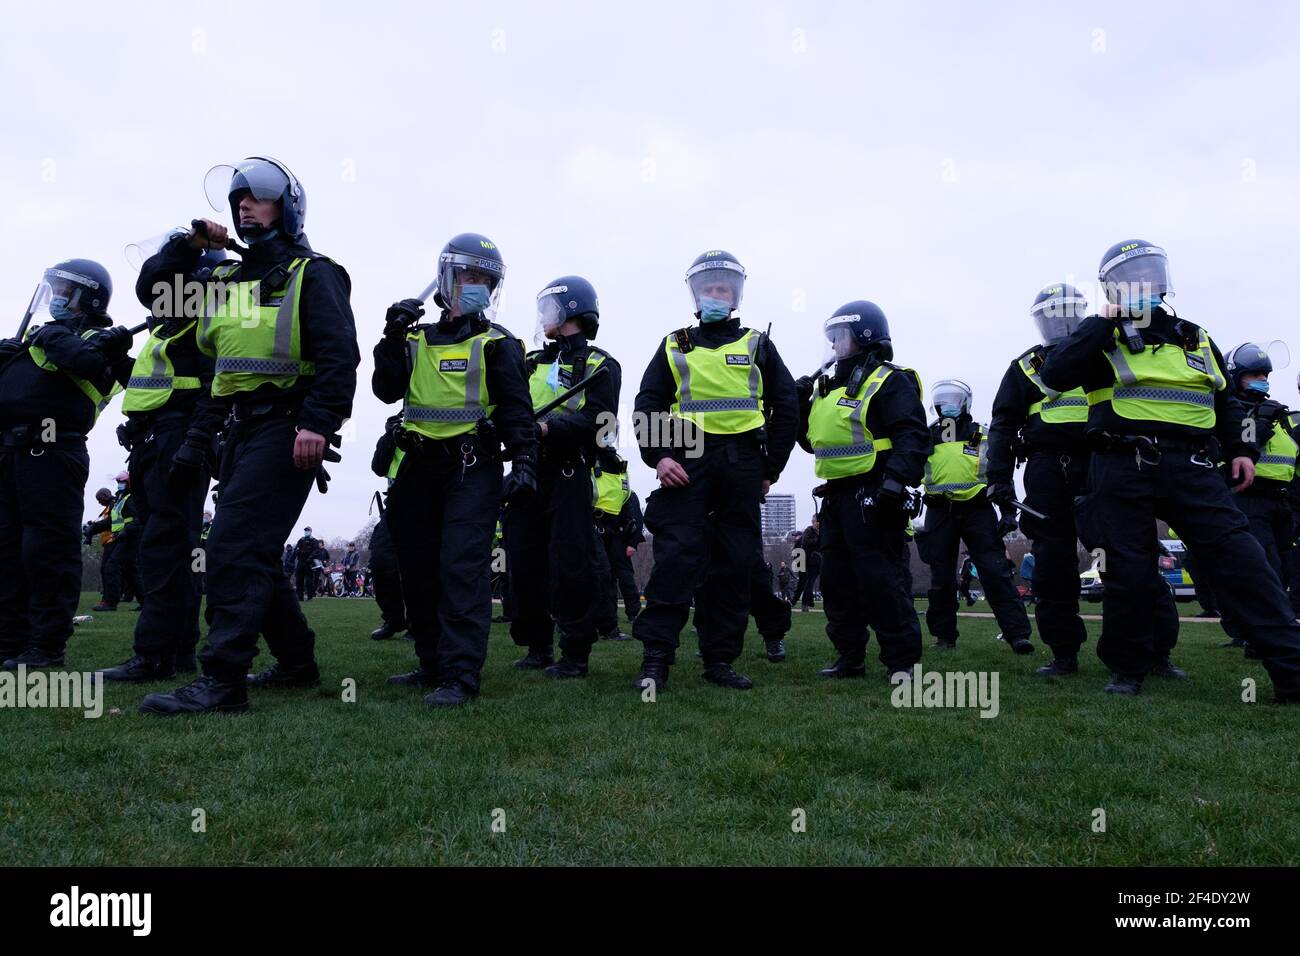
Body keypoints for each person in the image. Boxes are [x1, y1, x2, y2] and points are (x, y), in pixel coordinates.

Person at [139, 155, 359, 715]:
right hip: (236, 430)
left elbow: (339, 358)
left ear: (285, 208)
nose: (244, 207)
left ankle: (222, 679)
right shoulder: (225, 280)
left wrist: (317, 423)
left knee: (232, 548)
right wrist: (189, 247)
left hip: (288, 428)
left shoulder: (315, 273)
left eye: (256, 198)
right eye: (238, 201)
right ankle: (296, 663)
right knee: (253, 552)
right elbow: (155, 294)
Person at [1040, 238, 1300, 699]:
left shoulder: (1193, 335)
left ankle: (1291, 672)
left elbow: (1230, 401)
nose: (1145, 282)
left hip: (1194, 465)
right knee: (1130, 570)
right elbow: (1056, 374)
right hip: (1122, 463)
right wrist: (1101, 322)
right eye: (1131, 275)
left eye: (1151, 270)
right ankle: (1129, 670)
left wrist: (1242, 451)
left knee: (1244, 561)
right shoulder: (1102, 334)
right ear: (1113, 288)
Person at [372, 232, 536, 706]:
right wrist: (390, 336)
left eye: (487, 280)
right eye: (470, 276)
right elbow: (385, 390)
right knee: (417, 569)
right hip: (417, 468)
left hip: (472, 467)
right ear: (447, 278)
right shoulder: (414, 339)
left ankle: (461, 675)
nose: (477, 285)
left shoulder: (499, 343)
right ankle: (431, 663)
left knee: (461, 567)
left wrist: (524, 462)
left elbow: (516, 409)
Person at [632, 249, 798, 691]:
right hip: (686, 459)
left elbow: (787, 407)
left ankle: (719, 660)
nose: (715, 295)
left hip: (743, 463)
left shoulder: (757, 345)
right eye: (708, 288)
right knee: (676, 558)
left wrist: (771, 469)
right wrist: (659, 456)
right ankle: (656, 658)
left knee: (733, 564)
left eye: (723, 288)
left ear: (735, 295)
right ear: (696, 294)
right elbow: (647, 404)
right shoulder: (674, 343)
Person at [0, 258, 132, 669]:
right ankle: (9, 642)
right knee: (7, 551)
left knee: (47, 552)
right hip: (11, 452)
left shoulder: (102, 340)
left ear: (86, 297)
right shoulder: (38, 341)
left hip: (54, 452)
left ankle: (46, 646)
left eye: (63, 292)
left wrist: (46, 337)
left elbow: (90, 366)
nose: (55, 299)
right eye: (52, 291)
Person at [99, 249, 224, 682]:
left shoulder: (207, 327)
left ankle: (153, 655)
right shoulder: (168, 329)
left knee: (163, 551)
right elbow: (146, 385)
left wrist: (195, 442)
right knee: (178, 551)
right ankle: (179, 650)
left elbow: (215, 390)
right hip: (153, 439)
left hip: (178, 437)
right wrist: (118, 359)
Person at [796, 300, 930, 680]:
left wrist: (896, 480)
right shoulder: (826, 389)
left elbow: (913, 435)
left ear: (866, 337)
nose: (835, 345)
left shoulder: (890, 380)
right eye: (832, 338)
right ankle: (849, 657)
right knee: (836, 583)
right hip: (836, 497)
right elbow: (811, 442)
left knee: (881, 581)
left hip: (875, 492)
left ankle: (902, 662)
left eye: (841, 337)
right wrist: (796, 402)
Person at [505, 275, 622, 678]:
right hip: (526, 469)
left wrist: (550, 427)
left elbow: (601, 422)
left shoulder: (600, 364)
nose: (542, 318)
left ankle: (575, 653)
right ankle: (537, 646)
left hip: (568, 471)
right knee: (523, 560)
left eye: (548, 309)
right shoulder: (532, 361)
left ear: (571, 310)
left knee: (571, 562)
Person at [986, 283, 1092, 674]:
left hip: (1102, 463)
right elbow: (1002, 424)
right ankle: (1064, 652)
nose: (1060, 322)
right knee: (1051, 564)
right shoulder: (1025, 366)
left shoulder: (1104, 354)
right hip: (1046, 471)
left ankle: (1148, 650)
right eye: (1051, 316)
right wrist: (998, 479)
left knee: (1126, 556)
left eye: (1067, 313)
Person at [919, 379, 1033, 653]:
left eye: (952, 400)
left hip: (977, 510)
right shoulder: (926, 438)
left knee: (995, 571)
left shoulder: (983, 435)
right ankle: (944, 637)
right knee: (941, 578)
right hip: (938, 510)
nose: (946, 406)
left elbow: (1000, 476)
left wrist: (1008, 512)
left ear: (965, 403)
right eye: (942, 400)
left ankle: (1017, 634)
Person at [1210, 343, 1299, 651]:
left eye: (1265, 374)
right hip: (1247, 498)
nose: (1262, 379)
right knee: (1266, 567)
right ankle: (1260, 638)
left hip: (1281, 502)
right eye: (1254, 375)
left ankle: (1259, 630)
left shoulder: (1278, 414)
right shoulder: (1229, 411)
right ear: (1236, 377)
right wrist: (1260, 421)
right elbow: (1242, 447)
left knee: (1286, 569)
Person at [367, 414, 408, 640]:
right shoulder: (397, 429)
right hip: (395, 504)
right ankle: (393, 618)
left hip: (426, 501)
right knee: (380, 562)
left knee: (420, 567)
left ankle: (417, 622)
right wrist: (388, 436)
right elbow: (378, 467)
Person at [591, 454, 641, 641]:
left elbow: (625, 498)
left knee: (609, 578)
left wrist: (631, 534)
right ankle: (570, 624)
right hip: (589, 522)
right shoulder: (585, 457)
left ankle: (609, 627)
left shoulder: (618, 464)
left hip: (614, 530)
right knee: (593, 575)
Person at [93, 472, 141, 611]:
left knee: (111, 566)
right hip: (120, 537)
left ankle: (110, 602)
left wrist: (125, 531)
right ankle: (145, 601)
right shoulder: (120, 498)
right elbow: (112, 521)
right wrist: (93, 528)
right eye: (118, 481)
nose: (119, 483)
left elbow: (137, 519)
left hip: (128, 538)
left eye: (121, 481)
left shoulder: (132, 498)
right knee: (130, 570)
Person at [791, 516, 821, 611]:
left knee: (807, 582)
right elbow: (804, 544)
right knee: (806, 582)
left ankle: (798, 601)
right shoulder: (809, 531)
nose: (818, 524)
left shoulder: (820, 532)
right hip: (806, 560)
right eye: (816, 522)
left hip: (814, 560)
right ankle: (802, 602)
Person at [293, 526, 318, 600]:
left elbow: (316, 551)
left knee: (309, 581)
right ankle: (300, 596)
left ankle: (309, 596)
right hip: (300, 561)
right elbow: (296, 549)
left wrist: (310, 558)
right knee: (298, 580)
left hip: (308, 562)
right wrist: (297, 553)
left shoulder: (314, 540)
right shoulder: (301, 540)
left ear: (310, 531)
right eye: (305, 530)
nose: (306, 532)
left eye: (308, 530)